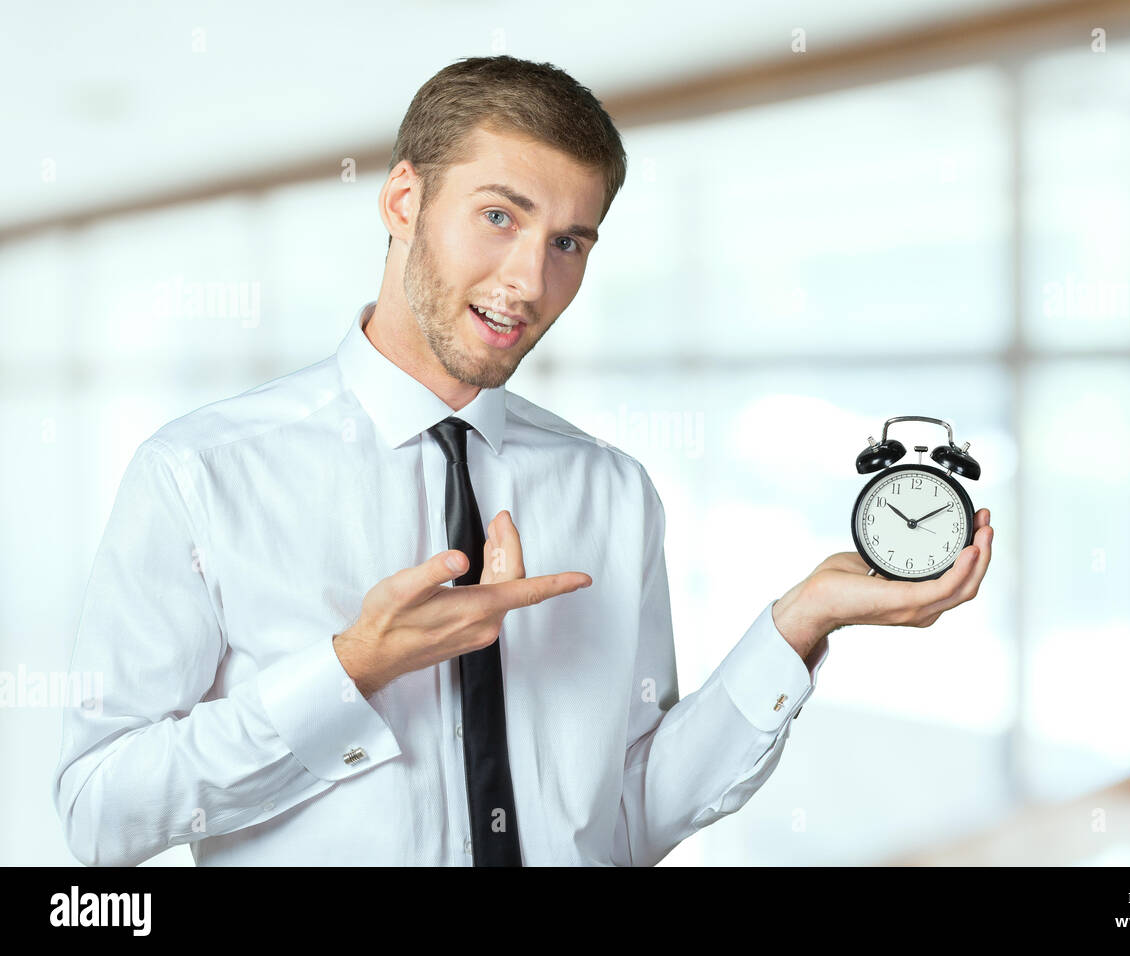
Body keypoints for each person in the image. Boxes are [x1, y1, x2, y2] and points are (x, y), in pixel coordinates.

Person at [52, 55, 993, 867]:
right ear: (403, 199)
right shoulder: (203, 475)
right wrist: (352, 670)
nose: (529, 283)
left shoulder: (612, 493)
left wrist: (803, 622)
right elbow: (100, 814)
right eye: (499, 216)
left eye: (568, 242)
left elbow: (631, 816)